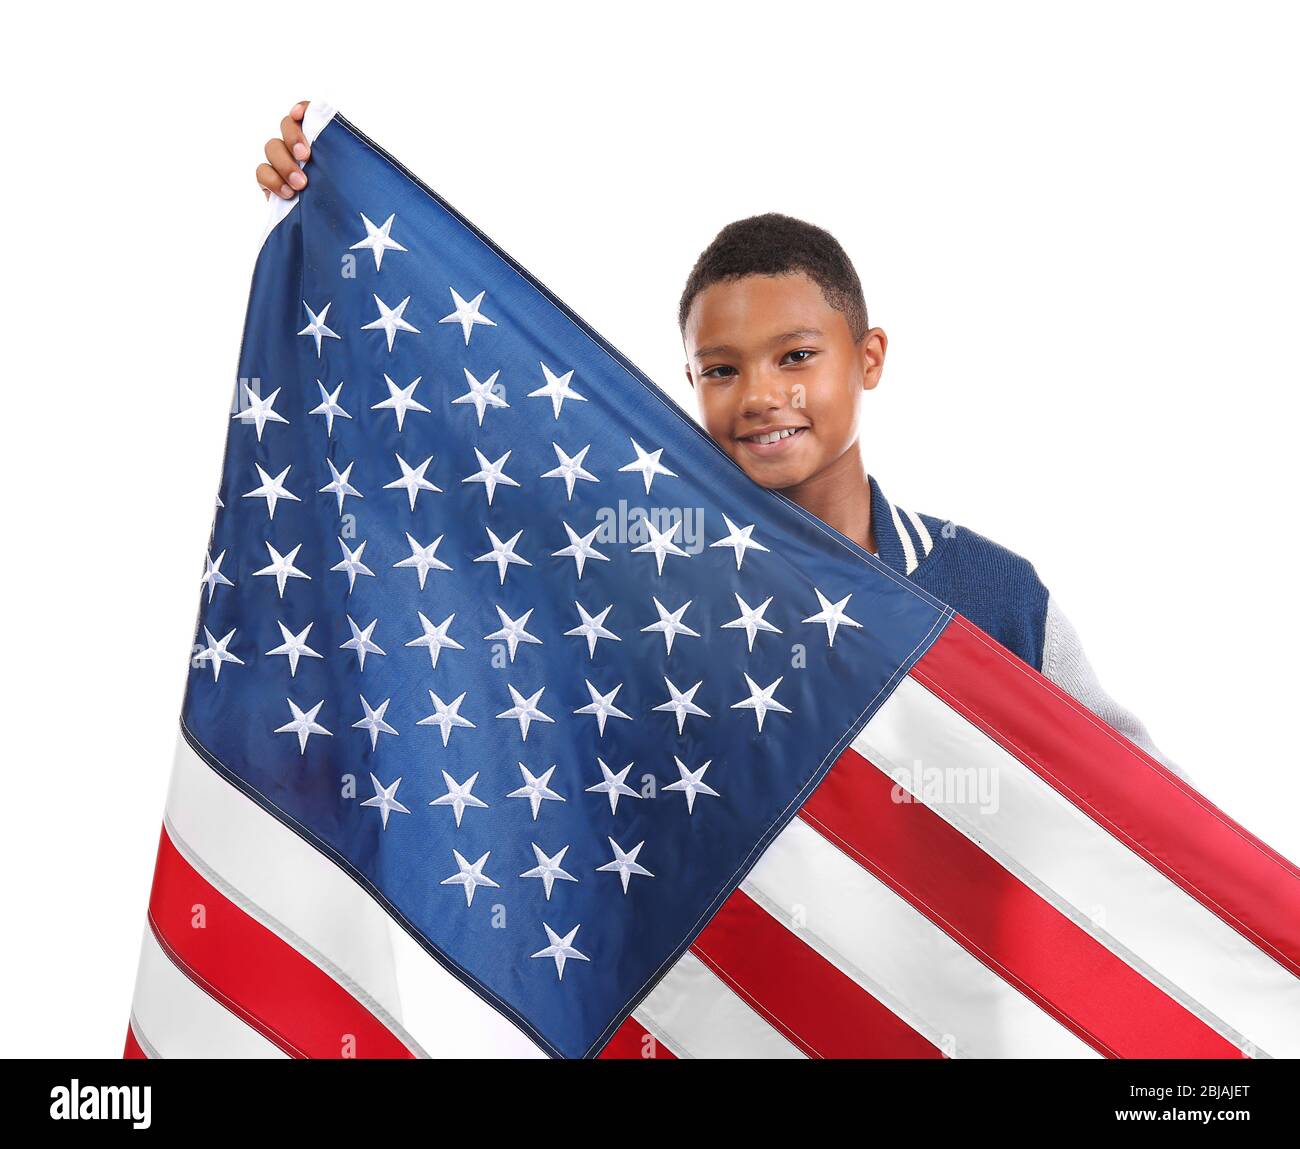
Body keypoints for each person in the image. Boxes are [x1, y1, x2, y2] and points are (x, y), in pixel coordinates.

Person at [255, 102, 1187, 782]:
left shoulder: (993, 595)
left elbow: (1143, 818)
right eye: (721, 369)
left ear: (867, 359)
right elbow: (460, 480)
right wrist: (337, 230)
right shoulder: (645, 573)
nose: (762, 396)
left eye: (797, 356)